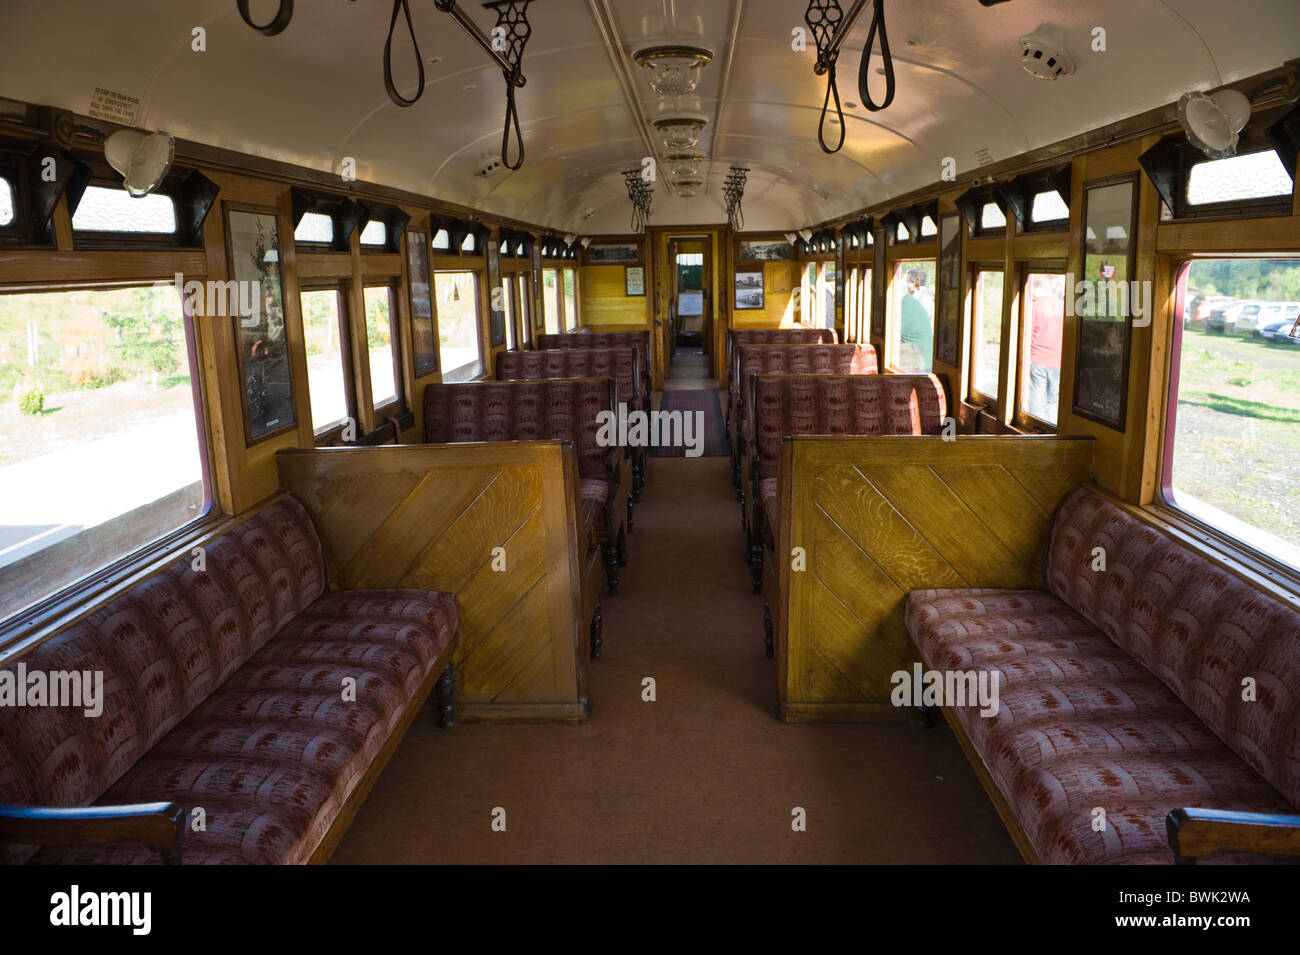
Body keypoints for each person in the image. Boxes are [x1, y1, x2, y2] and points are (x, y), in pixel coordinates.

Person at [1028, 275, 1065, 422]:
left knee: (1037, 400)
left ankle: (1036, 430)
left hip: (1037, 360)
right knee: (1053, 401)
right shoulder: (1063, 306)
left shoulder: (1035, 306)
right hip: (1058, 361)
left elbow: (1027, 334)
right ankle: (1052, 428)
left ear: (1037, 288)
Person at [898, 268, 933, 372]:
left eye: (908, 281)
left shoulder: (924, 300)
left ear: (915, 283)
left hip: (921, 358)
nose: (907, 284)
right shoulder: (911, 299)